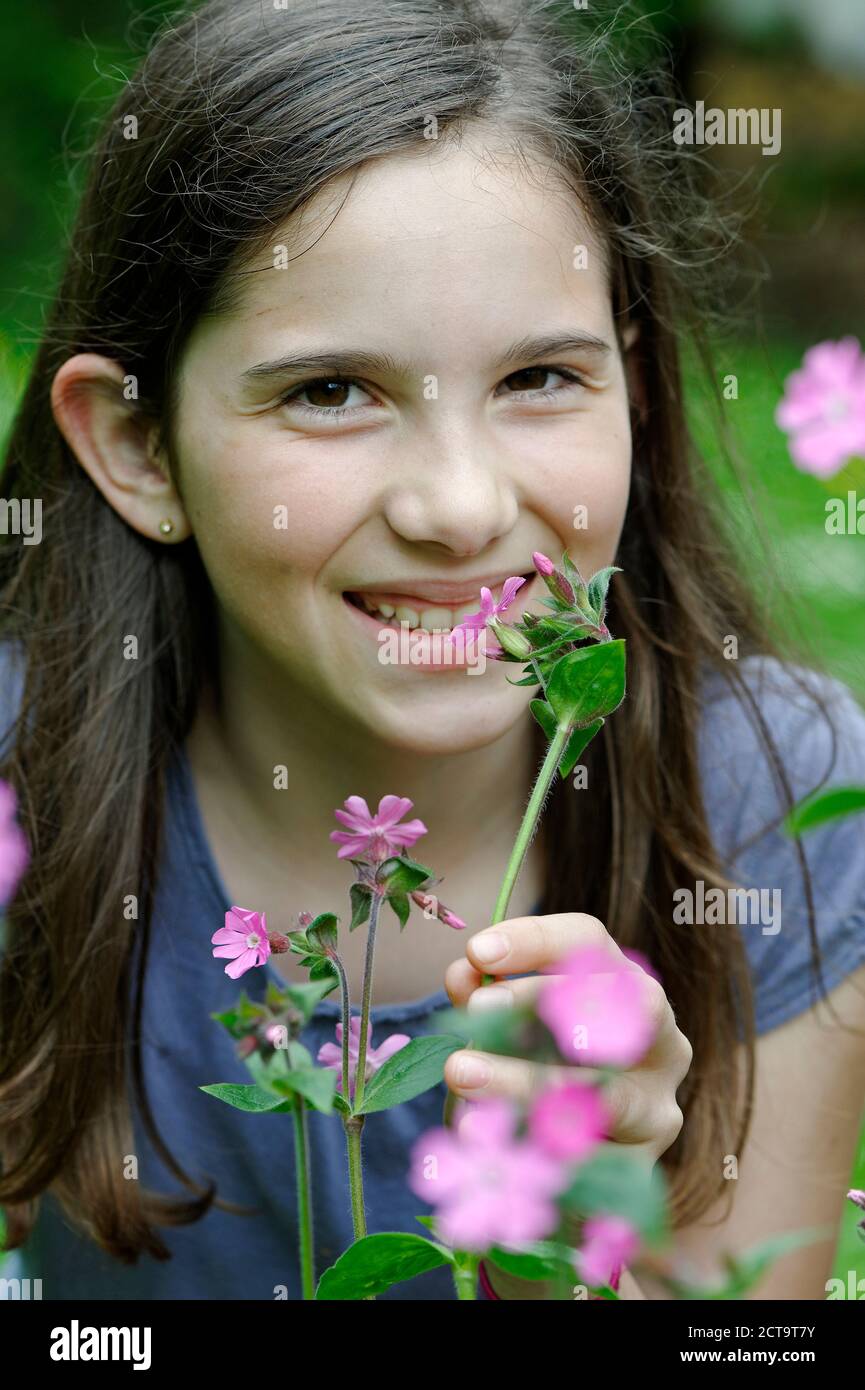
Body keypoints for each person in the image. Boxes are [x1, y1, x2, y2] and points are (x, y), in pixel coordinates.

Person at [1, 0, 864, 1301]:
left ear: (632, 388)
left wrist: (571, 1248)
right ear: (136, 445)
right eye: (330, 390)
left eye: (537, 380)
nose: (457, 507)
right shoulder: (22, 782)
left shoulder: (776, 799)